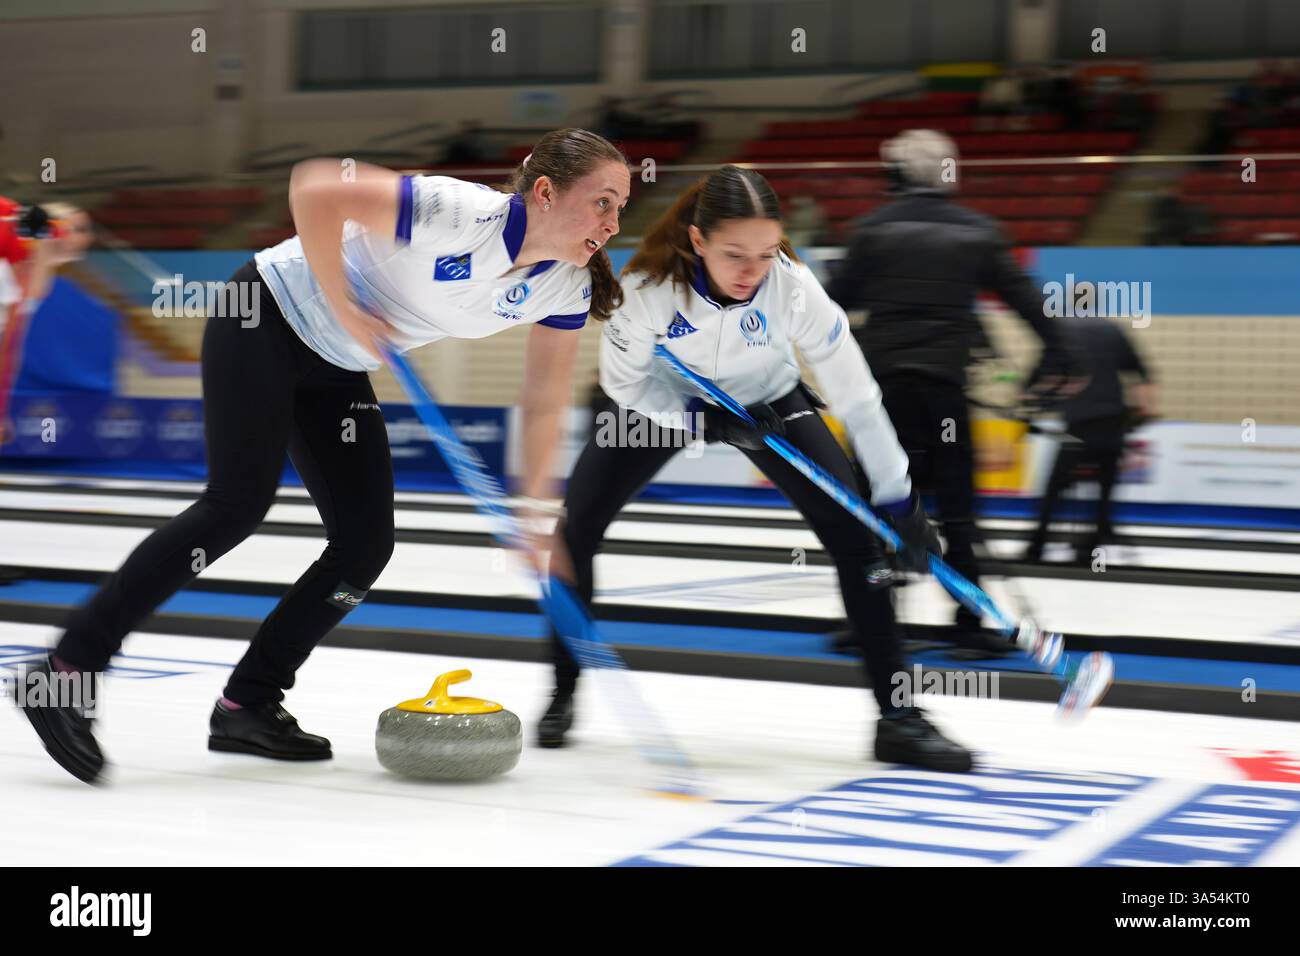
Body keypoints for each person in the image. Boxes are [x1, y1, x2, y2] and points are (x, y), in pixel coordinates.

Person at [14, 128, 630, 784]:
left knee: (365, 545)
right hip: (266, 315)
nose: (615, 222)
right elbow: (313, 187)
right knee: (235, 505)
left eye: (621, 207)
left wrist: (533, 512)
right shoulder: (457, 211)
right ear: (544, 191)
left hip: (336, 366)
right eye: (603, 202)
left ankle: (247, 704)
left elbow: (542, 399)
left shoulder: (565, 288)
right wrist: (344, 304)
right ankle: (65, 673)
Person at [541, 164, 973, 773]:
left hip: (770, 399)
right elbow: (624, 385)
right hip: (662, 401)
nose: (752, 272)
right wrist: (702, 420)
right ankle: (563, 689)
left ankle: (899, 719)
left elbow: (857, 397)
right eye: (735, 254)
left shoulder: (794, 288)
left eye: (767, 253)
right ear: (697, 240)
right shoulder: (645, 288)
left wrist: (900, 501)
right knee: (575, 532)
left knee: (862, 542)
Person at [826, 129, 1079, 658]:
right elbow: (1029, 303)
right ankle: (972, 624)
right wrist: (1059, 360)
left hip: (882, 394)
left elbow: (831, 308)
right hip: (945, 392)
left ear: (895, 174)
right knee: (959, 514)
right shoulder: (981, 233)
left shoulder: (870, 231)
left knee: (874, 509)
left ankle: (875, 625)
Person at [1024, 317, 1156, 564]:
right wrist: (1143, 409)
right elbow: (1143, 376)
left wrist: (1028, 397)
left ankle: (1036, 548)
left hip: (1078, 426)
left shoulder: (1061, 331)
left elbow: (1039, 381)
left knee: (1055, 490)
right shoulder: (1112, 329)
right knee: (1104, 492)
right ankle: (1088, 552)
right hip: (1112, 423)